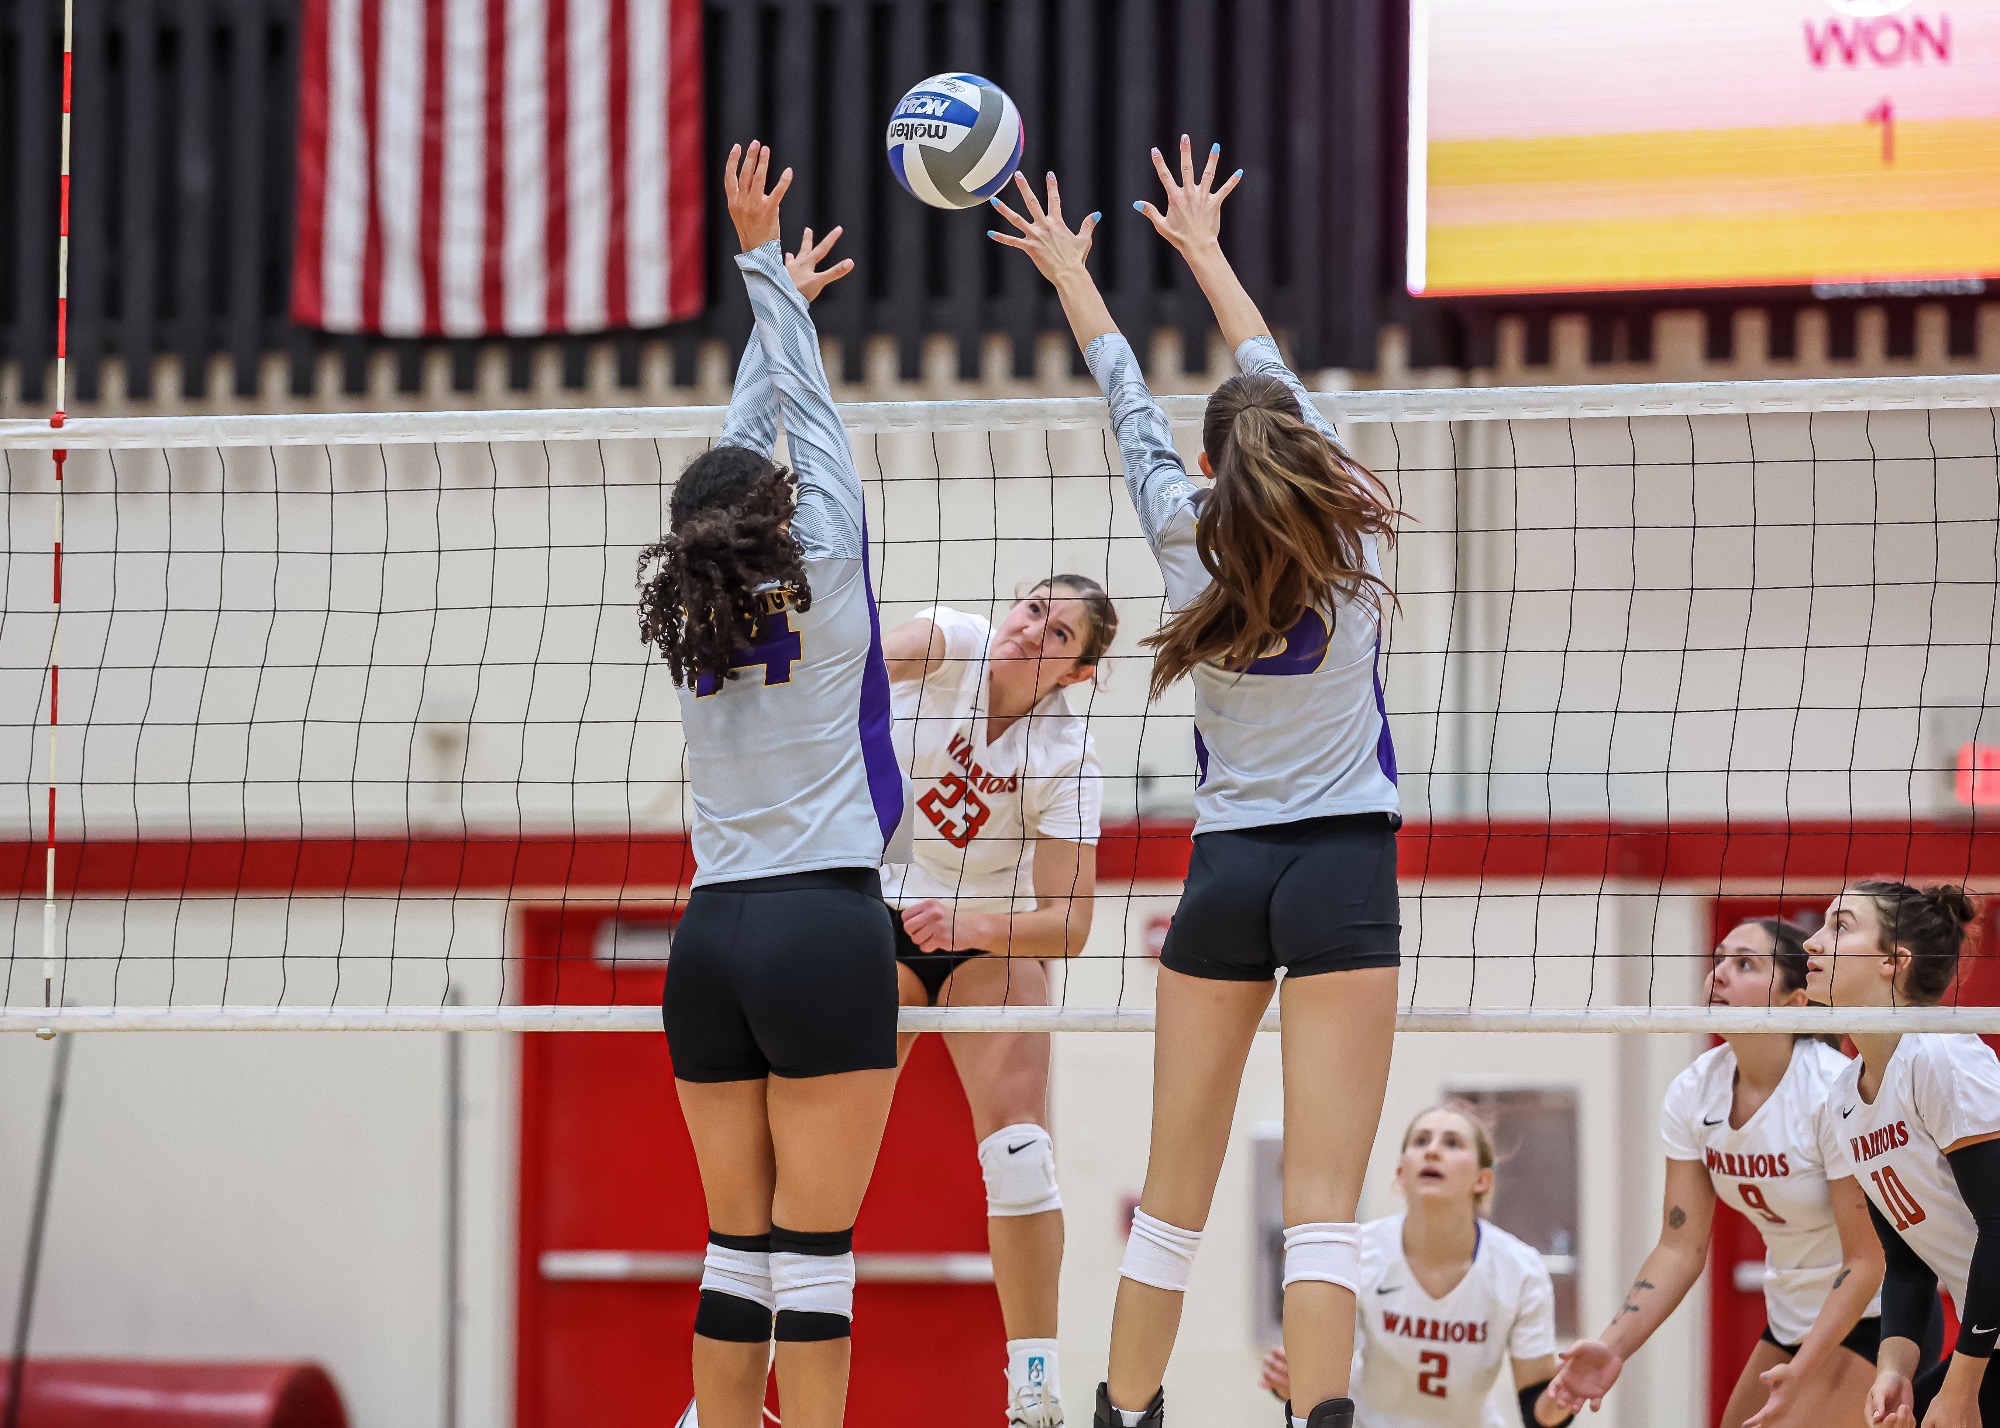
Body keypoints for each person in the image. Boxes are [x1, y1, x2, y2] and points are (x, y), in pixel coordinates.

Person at [991, 136, 1403, 1428]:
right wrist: (1209, 251)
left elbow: (1122, 386)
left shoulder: (1183, 530)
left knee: (1172, 1201)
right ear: (1300, 452)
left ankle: (1124, 1414)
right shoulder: (1345, 510)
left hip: (1225, 880)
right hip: (1344, 872)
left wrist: (1075, 271)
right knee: (1325, 1209)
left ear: (1215, 467)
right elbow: (1269, 371)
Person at [641, 141, 908, 1428]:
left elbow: (737, 459)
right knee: (815, 1251)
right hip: (822, 929)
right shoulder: (837, 569)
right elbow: (806, 428)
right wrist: (772, 291)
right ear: (779, 512)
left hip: (711, 940)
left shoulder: (688, 619)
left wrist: (767, 288)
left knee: (730, 1247)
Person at [880, 580, 1119, 1428]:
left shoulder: (1066, 756)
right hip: (884, 903)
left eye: (1059, 633)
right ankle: (738, 1364)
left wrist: (970, 924)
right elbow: (871, 662)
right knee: (816, 1147)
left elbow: (1069, 924)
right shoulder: (952, 637)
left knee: (1022, 1153)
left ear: (1078, 672)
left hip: (988, 931)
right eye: (1030, 610)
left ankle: (1035, 1384)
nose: (1032, 631)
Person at [1547, 920, 1891, 1428]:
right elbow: (1678, 1248)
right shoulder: (1693, 1090)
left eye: (1745, 963)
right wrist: (1611, 1346)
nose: (1719, 974)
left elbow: (1868, 1258)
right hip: (1790, 1315)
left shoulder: (1831, 1089)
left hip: (1875, 1317)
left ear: (1794, 1002)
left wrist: (1806, 1364)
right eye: (1720, 958)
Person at [1803, 882, 2000, 1428]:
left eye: (1839, 926)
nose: (1812, 943)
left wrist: (1961, 1391)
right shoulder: (1845, 1097)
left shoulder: (1938, 1055)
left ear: (1894, 961)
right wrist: (1894, 1368)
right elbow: (1909, 1260)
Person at [1260, 1103, 1575, 1428]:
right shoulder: (1361, 1252)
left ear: (1482, 1180)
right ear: (1401, 1175)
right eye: (1421, 1141)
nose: (1433, 1151)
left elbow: (1538, 1410)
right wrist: (1293, 1385)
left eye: (1452, 1142)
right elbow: (1319, 1382)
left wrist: (1566, 1393)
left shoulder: (1521, 1269)